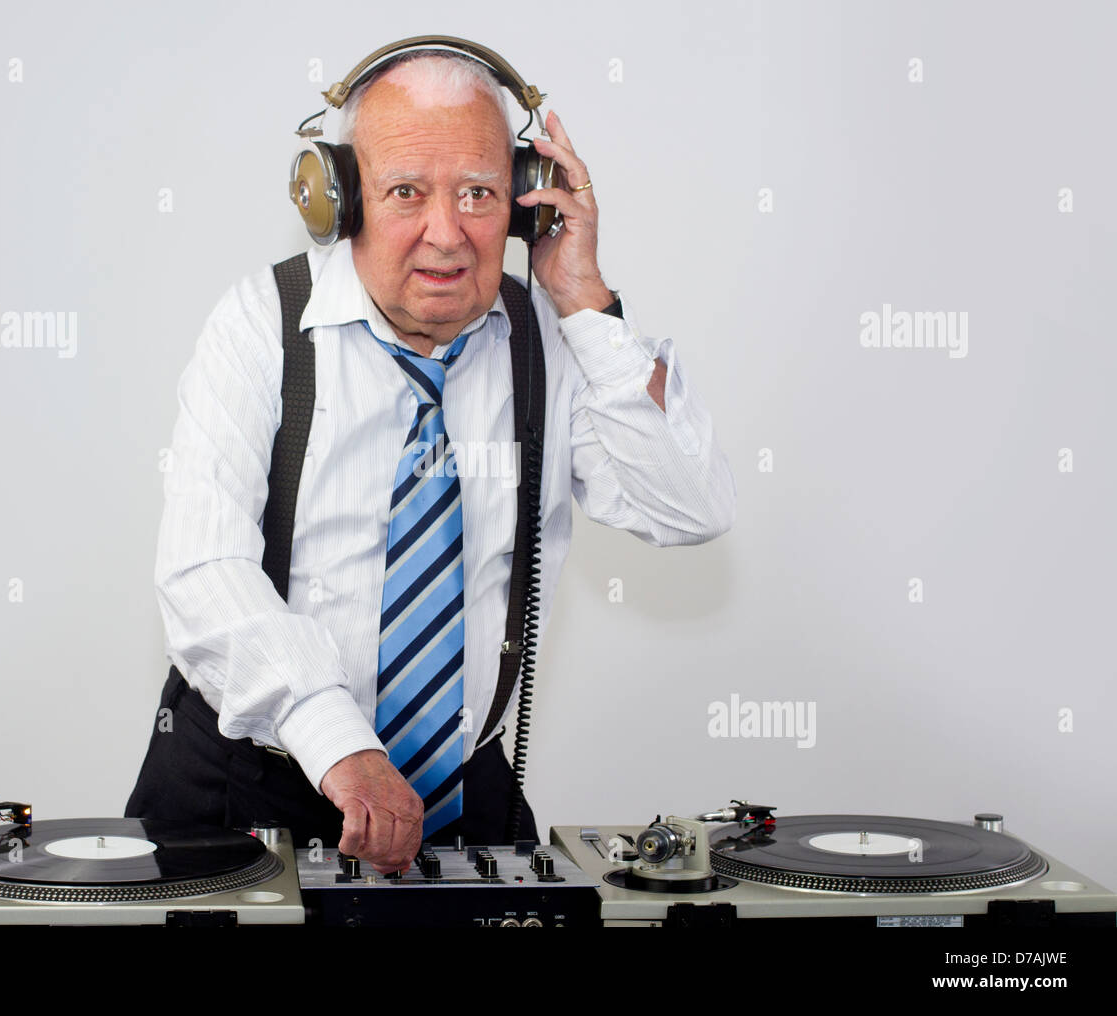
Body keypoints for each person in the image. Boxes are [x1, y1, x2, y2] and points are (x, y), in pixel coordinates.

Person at [124, 47, 736, 874]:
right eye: (407, 191)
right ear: (340, 199)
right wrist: (343, 747)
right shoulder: (258, 324)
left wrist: (586, 299)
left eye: (479, 193)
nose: (446, 234)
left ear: (525, 204)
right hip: (248, 790)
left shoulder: (550, 341)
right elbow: (204, 570)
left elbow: (688, 507)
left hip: (457, 799)